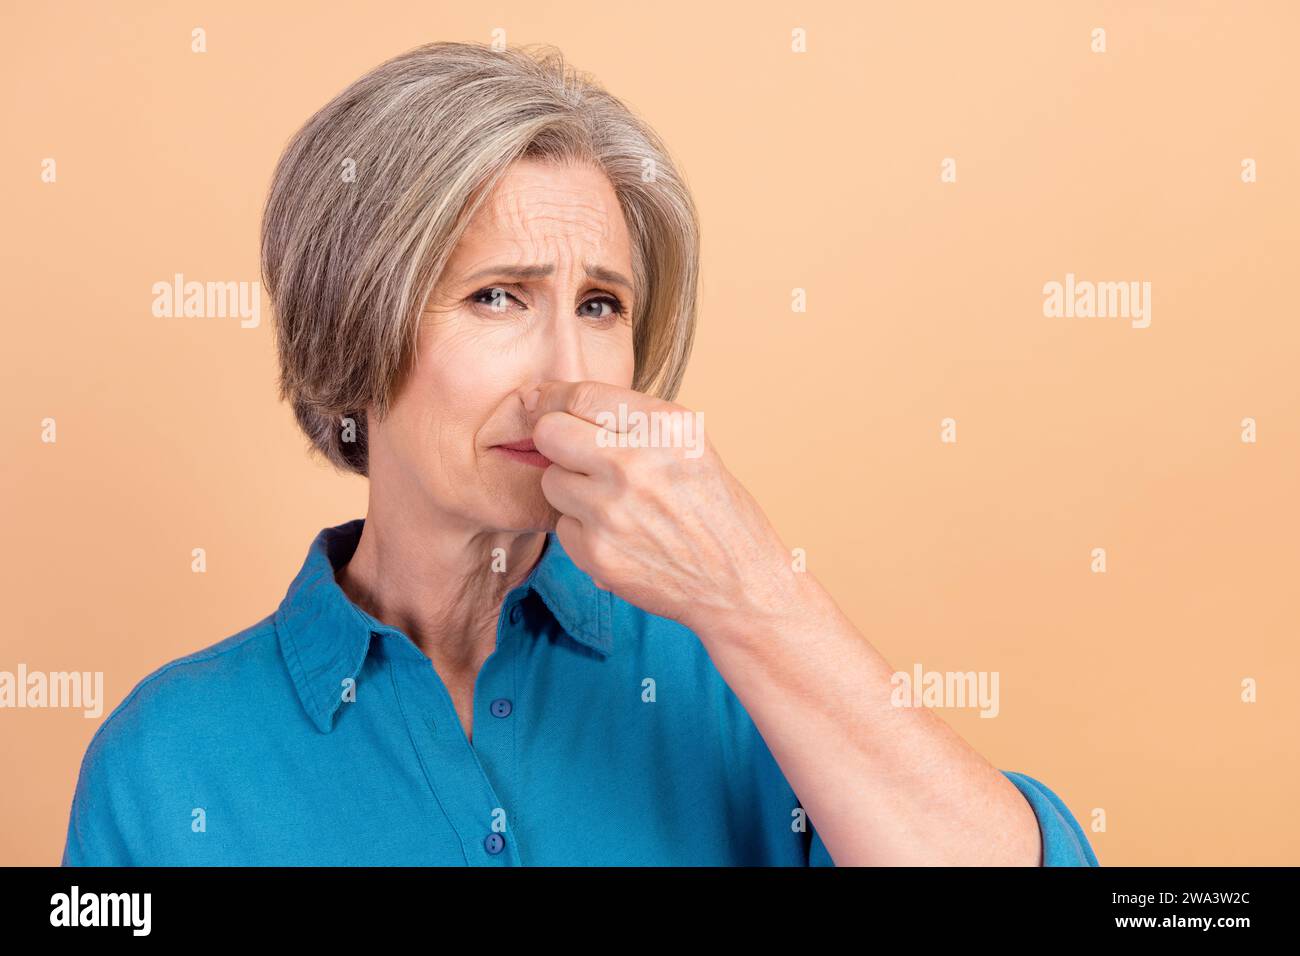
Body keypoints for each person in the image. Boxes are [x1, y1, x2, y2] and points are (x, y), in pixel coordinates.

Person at [62, 41, 1098, 866]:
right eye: (497, 296)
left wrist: (751, 594)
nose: (566, 369)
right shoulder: (168, 759)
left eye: (601, 304)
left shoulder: (738, 681)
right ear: (351, 329)